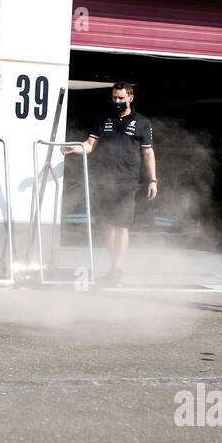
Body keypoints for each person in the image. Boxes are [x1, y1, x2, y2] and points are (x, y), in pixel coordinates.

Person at [62, 82, 156, 288]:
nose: (117, 101)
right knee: (107, 226)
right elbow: (89, 146)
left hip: (128, 182)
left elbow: (148, 152)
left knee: (121, 225)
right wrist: (73, 148)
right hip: (105, 181)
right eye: (114, 98)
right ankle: (112, 267)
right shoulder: (103, 119)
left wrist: (152, 180)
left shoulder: (142, 123)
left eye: (121, 98)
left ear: (130, 98)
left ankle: (117, 269)